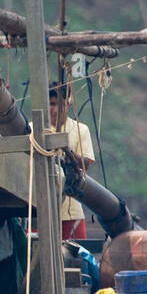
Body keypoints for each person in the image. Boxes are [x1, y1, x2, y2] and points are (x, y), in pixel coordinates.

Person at [48, 80, 94, 239]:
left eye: (56, 104)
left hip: (71, 211)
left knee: (76, 259)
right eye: (50, 104)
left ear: (67, 105)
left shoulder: (81, 129)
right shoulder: (34, 130)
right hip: (39, 211)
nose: (52, 110)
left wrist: (69, 152)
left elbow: (85, 164)